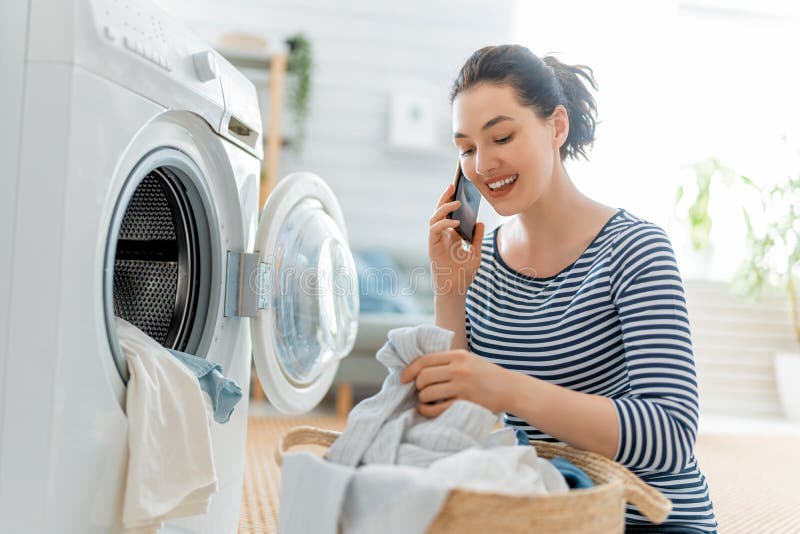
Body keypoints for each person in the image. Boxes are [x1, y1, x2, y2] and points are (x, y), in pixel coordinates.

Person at [399, 45, 718, 533]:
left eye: (501, 136)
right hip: (542, 516)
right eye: (466, 148)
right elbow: (454, 433)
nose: (482, 165)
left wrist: (506, 388)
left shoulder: (636, 249)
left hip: (642, 519)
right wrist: (450, 290)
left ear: (557, 127)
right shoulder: (476, 263)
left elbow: (671, 434)